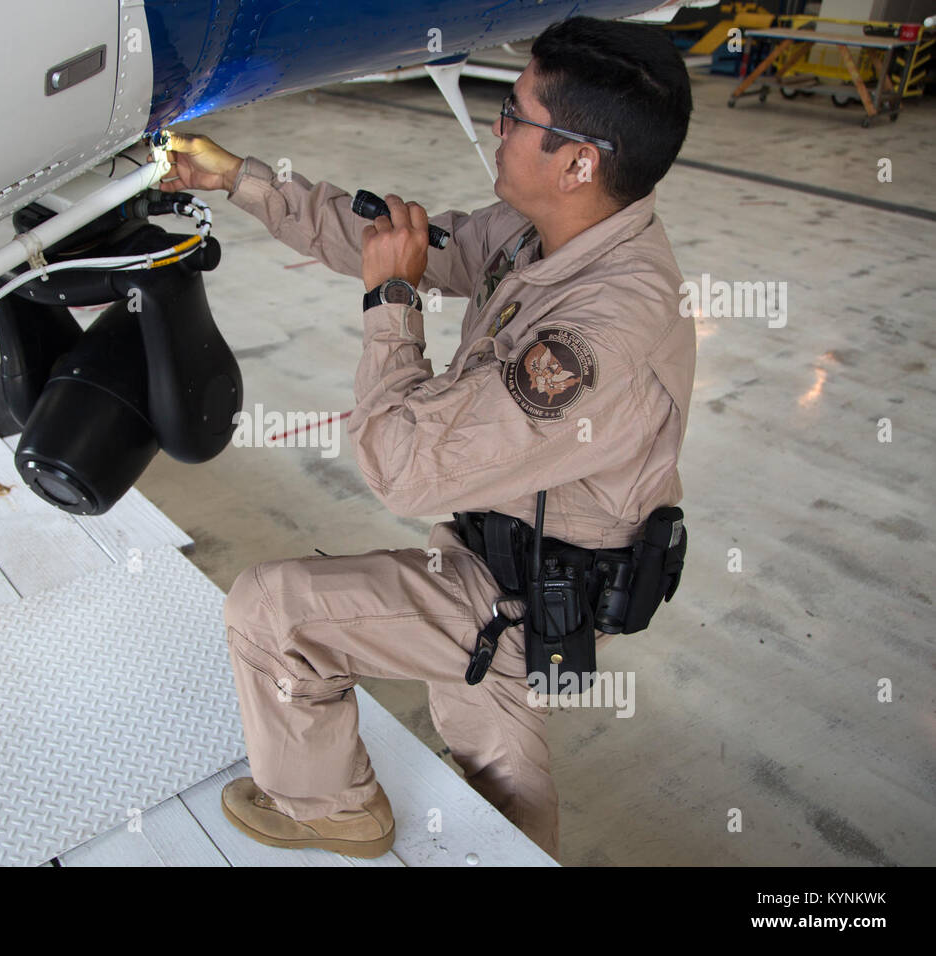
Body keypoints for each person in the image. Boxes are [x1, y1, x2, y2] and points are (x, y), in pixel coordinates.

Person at [157, 15, 695, 861]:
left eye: (516, 116)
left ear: (580, 160)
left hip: (519, 597)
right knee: (499, 776)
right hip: (500, 558)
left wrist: (391, 308)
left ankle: (328, 807)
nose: (499, 127)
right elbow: (401, 243)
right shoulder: (543, 232)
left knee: (270, 612)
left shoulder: (603, 332)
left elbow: (404, 468)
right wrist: (242, 181)